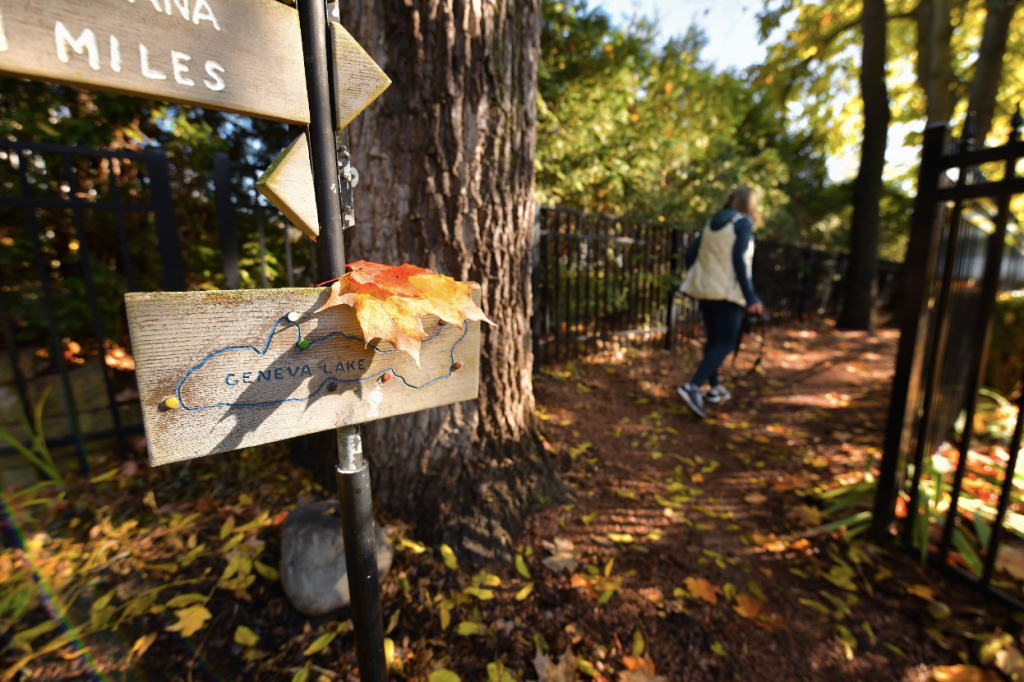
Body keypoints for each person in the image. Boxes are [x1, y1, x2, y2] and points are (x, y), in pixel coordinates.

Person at [676, 185, 764, 419]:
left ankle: (714, 388)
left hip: (706, 290)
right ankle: (693, 386)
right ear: (750, 203)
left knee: (714, 340)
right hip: (727, 294)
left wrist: (700, 278)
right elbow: (740, 259)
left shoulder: (711, 223)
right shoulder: (743, 223)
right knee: (726, 342)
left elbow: (690, 254)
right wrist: (751, 297)